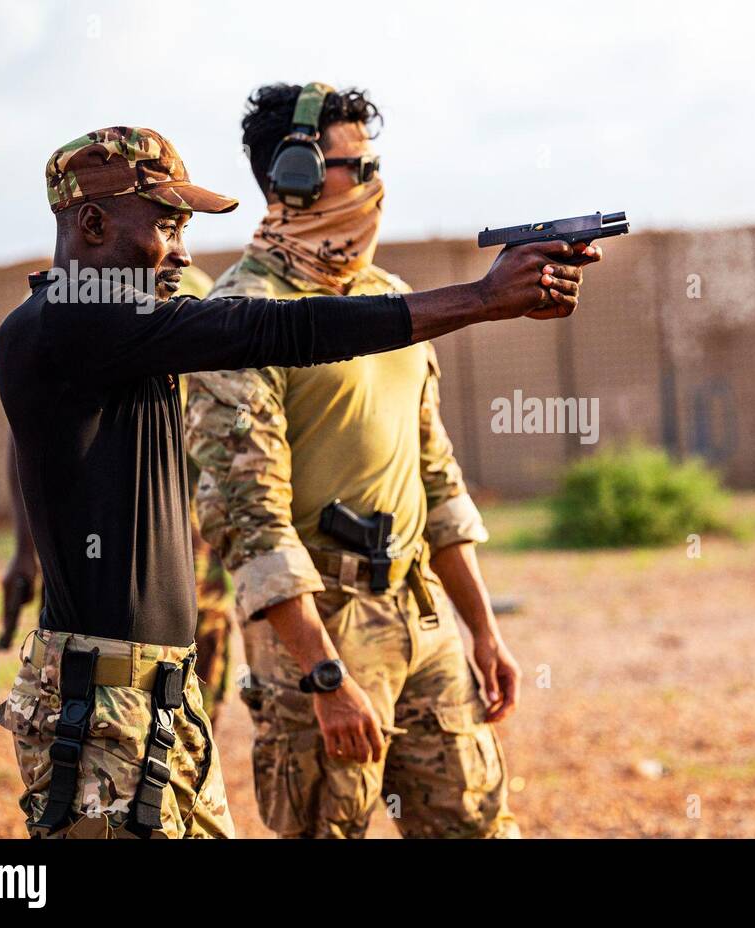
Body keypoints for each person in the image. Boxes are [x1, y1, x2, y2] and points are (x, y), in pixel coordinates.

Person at [0, 125, 598, 838]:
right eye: (163, 224)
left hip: (157, 694)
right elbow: (279, 329)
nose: (182, 252)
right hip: (103, 706)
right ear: (91, 222)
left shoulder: (96, 326)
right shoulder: (74, 319)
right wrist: (484, 298)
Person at [187, 83, 537, 838]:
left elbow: (435, 477)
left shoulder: (392, 300)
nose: (375, 180)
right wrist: (322, 673)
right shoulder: (238, 318)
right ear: (296, 176)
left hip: (421, 615)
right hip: (322, 631)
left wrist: (482, 629)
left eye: (376, 161)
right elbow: (249, 523)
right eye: (357, 164)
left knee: (476, 823)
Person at [0, 269, 235, 728]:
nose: (176, 245)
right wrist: (24, 551)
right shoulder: (80, 306)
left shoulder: (207, 296)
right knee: (87, 697)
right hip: (98, 537)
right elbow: (27, 429)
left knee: (196, 707)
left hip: (194, 537)